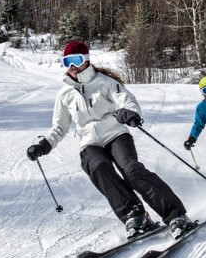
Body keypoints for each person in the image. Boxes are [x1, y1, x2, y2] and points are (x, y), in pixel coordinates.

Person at [26, 40, 195, 239]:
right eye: (67, 61)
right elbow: (59, 127)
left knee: (131, 170)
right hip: (89, 142)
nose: (72, 66)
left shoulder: (105, 82)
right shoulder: (65, 94)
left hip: (115, 134)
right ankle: (135, 216)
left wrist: (130, 113)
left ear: (86, 60)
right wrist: (44, 145)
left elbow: (127, 100)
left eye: (76, 60)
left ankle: (176, 215)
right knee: (98, 167)